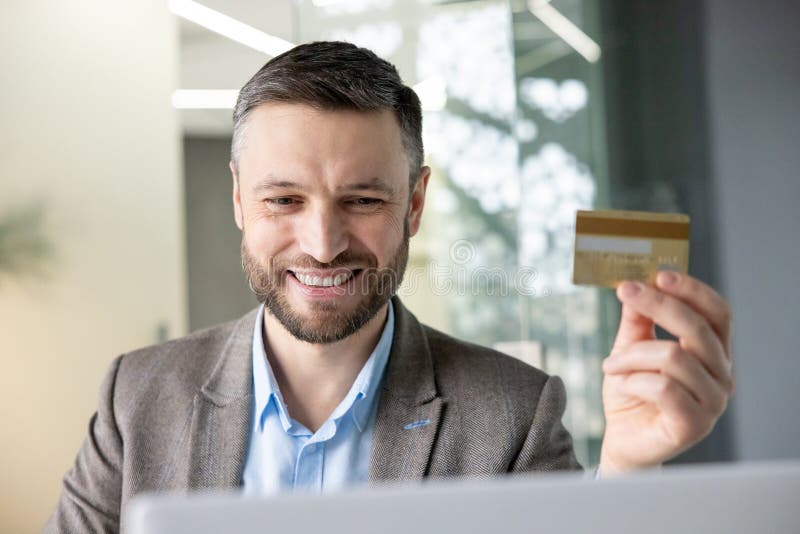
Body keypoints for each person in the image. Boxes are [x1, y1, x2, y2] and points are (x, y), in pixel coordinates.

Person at [46, 41, 734, 533]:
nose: (322, 244)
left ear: (414, 203)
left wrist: (625, 473)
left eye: (364, 202)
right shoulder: (136, 397)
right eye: (284, 200)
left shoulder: (513, 414)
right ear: (237, 200)